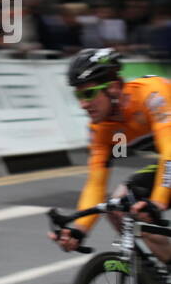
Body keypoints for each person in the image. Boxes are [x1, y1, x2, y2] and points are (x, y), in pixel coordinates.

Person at [50, 48, 171, 264]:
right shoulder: (101, 129)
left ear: (113, 88)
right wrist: (79, 229)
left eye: (88, 94)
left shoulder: (152, 94)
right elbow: (96, 185)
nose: (83, 104)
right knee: (118, 206)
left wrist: (158, 201)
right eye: (78, 95)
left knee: (151, 203)